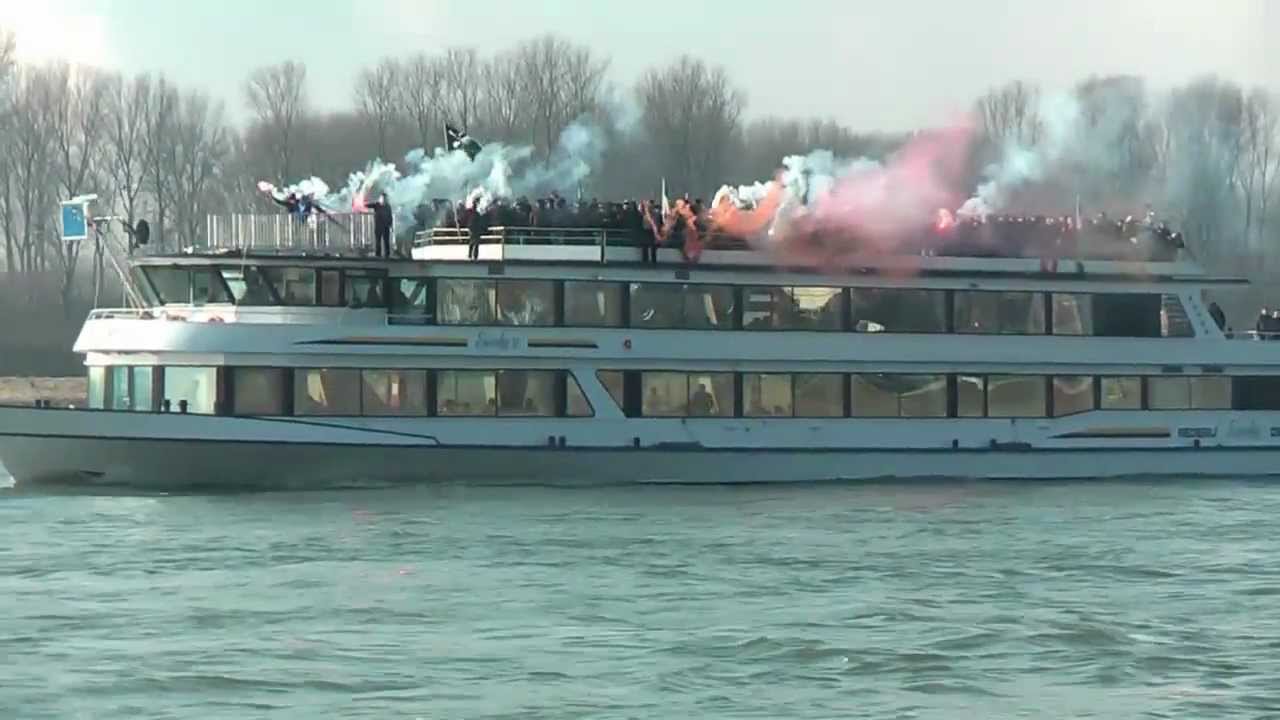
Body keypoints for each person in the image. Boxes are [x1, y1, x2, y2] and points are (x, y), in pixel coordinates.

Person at [366, 193, 393, 258]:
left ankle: (387, 254)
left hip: (386, 226)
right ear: (380, 199)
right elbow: (368, 205)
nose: (383, 200)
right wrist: (363, 203)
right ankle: (378, 254)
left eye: (385, 198)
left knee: (386, 241)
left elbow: (390, 216)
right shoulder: (377, 205)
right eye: (382, 198)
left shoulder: (388, 206)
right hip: (378, 226)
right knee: (378, 241)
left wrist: (390, 225)